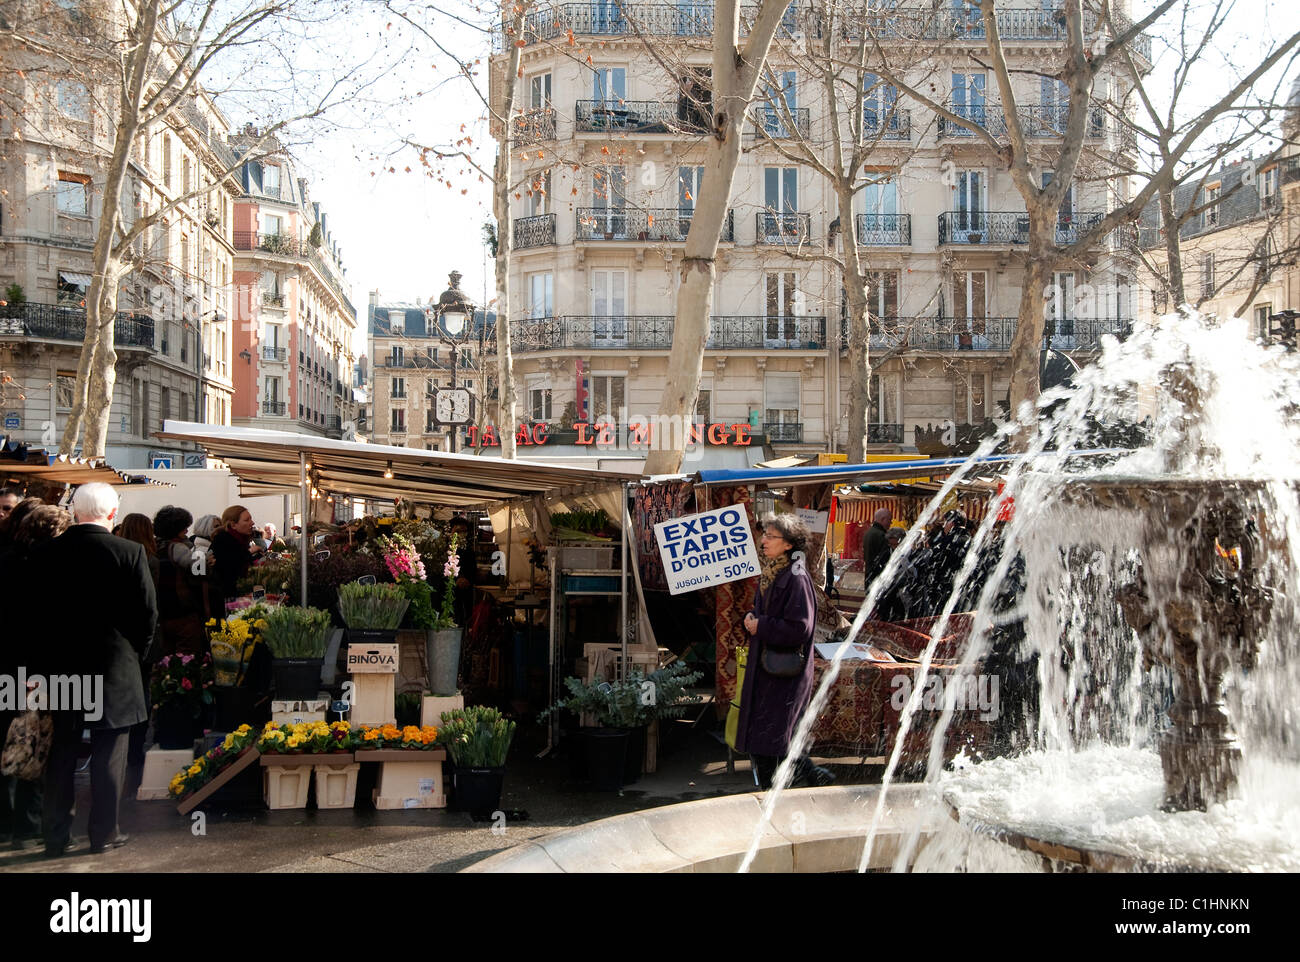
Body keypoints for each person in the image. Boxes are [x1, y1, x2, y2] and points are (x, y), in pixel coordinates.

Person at [33, 482, 156, 857]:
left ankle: (55, 834)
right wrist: (137, 655)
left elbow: (32, 615)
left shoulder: (46, 553)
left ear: (74, 512)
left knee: (62, 752)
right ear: (112, 514)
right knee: (109, 752)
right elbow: (147, 615)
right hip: (113, 666)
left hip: (61, 668)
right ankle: (104, 833)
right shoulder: (130, 552)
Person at [736, 514, 835, 790]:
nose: (763, 540)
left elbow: (800, 628)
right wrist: (751, 619)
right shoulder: (773, 572)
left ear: (789, 544)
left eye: (770, 536)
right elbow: (766, 613)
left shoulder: (796, 577)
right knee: (772, 740)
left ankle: (781, 795)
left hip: (784, 674)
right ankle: (803, 778)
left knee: (773, 740)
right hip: (767, 669)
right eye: (764, 534)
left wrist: (762, 625)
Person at [0, 504, 70, 849]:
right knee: (42, 741)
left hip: (11, 666)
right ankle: (29, 823)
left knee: (12, 737)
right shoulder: (60, 568)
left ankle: (8, 822)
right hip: (48, 670)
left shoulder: (8, 560)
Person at [211, 504, 263, 601]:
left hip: (235, 593)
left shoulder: (240, 539)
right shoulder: (223, 539)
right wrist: (251, 551)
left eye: (251, 519)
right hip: (225, 598)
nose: (252, 523)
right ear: (233, 525)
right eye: (246, 520)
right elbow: (230, 563)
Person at [448, 516, 478, 627]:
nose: (462, 534)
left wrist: (467, 580)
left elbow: (473, 568)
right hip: (450, 588)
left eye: (464, 532)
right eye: (458, 531)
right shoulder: (445, 547)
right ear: (451, 531)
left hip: (466, 588)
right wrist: (456, 579)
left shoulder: (469, 549)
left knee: (467, 617)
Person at [861, 507, 892, 586]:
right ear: (883, 519)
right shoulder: (881, 535)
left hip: (869, 576)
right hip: (878, 579)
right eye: (889, 520)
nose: (891, 522)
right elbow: (884, 559)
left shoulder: (868, 533)